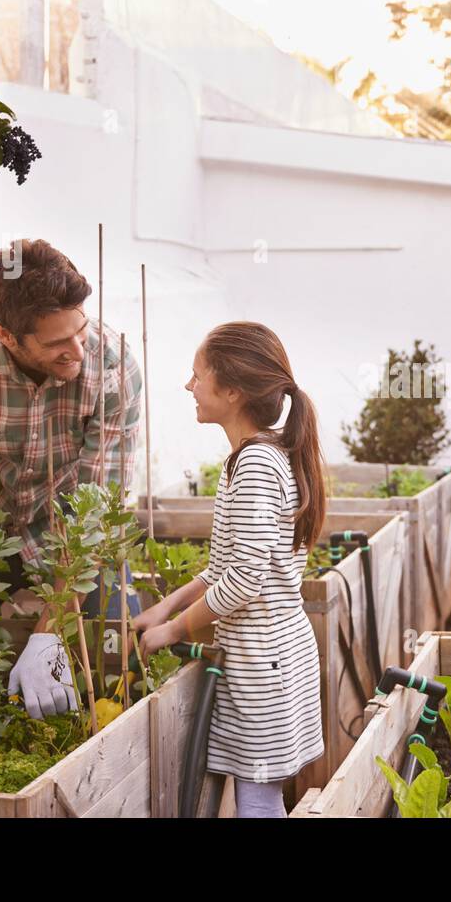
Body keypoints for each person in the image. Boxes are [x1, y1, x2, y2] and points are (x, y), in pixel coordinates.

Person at [0, 239, 142, 727]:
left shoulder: (113, 366)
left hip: (74, 542)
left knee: (118, 659)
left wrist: (50, 634)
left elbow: (95, 516)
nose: (77, 350)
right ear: (8, 336)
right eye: (56, 342)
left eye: (80, 328)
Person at [135, 322, 325, 818]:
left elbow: (245, 580)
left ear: (233, 391)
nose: (188, 386)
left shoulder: (257, 464)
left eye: (197, 375)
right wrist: (167, 604)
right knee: (254, 794)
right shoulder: (252, 457)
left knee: (257, 799)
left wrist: (174, 630)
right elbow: (225, 566)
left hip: (265, 661)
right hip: (269, 655)